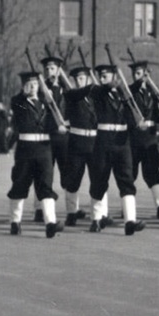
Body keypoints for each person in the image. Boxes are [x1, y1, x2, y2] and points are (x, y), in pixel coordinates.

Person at [73, 63, 147, 235]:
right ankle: (97, 219)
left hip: (122, 142)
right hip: (103, 141)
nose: (102, 78)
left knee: (127, 181)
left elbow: (131, 93)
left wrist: (140, 82)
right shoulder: (98, 92)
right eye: (100, 75)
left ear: (114, 76)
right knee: (99, 179)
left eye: (106, 75)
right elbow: (102, 89)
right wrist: (114, 85)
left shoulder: (123, 94)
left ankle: (130, 220)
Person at [7, 71, 65, 238]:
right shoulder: (18, 102)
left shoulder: (47, 103)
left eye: (35, 84)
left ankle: (50, 224)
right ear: (24, 86)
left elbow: (56, 107)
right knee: (20, 184)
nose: (32, 87)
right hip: (25, 148)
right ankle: (15, 221)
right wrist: (22, 94)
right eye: (29, 84)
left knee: (45, 186)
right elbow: (16, 106)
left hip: (44, 149)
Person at [128, 60, 159, 220]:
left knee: (152, 171)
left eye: (141, 73)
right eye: (135, 74)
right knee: (130, 173)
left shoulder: (153, 93)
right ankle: (128, 206)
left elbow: (157, 115)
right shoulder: (131, 91)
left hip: (150, 138)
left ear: (148, 74)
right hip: (134, 137)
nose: (137, 77)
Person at [32, 54, 69, 222]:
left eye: (52, 68)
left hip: (63, 137)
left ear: (59, 70)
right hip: (45, 136)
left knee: (68, 174)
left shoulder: (67, 88)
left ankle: (72, 210)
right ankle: (40, 209)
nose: (49, 71)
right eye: (46, 69)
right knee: (42, 173)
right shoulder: (39, 89)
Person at [61, 65, 97, 226]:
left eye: (82, 78)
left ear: (88, 78)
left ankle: (99, 215)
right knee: (73, 179)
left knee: (98, 179)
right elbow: (79, 93)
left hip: (95, 142)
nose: (78, 82)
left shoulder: (96, 97)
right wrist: (92, 86)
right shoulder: (71, 94)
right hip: (77, 142)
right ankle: (71, 212)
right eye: (76, 79)